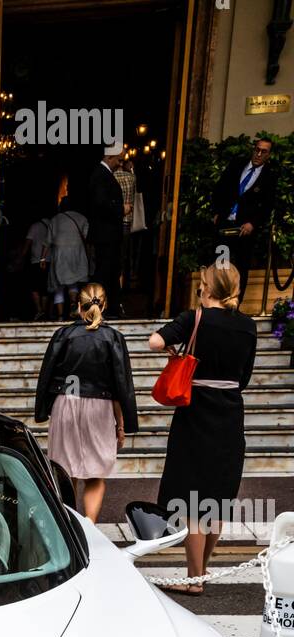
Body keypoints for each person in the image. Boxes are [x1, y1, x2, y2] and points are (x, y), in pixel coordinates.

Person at [149, 262, 257, 594]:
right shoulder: (248, 326)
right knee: (216, 498)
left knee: (192, 497)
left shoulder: (193, 318)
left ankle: (194, 579)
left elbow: (155, 341)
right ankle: (203, 570)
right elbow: (246, 377)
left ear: (206, 287)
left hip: (196, 409)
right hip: (229, 411)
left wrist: (171, 348)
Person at [34, 282, 137, 524]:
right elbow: (121, 384)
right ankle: (89, 525)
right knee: (96, 473)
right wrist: (122, 424)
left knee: (66, 471)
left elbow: (46, 374)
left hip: (66, 403)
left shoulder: (63, 335)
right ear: (106, 304)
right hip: (100, 407)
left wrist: (44, 410)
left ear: (78, 306)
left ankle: (69, 526)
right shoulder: (114, 338)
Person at [211, 137, 277, 303]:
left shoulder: (269, 176)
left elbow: (267, 206)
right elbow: (220, 188)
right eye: (257, 149)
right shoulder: (237, 165)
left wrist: (253, 223)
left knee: (241, 268)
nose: (259, 154)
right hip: (225, 225)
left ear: (269, 155)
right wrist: (217, 212)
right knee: (221, 264)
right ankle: (217, 304)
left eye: (264, 151)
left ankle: (234, 307)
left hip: (244, 230)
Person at [87, 144, 125, 314]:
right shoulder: (100, 175)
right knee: (104, 273)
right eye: (119, 160)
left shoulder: (104, 175)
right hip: (106, 235)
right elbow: (100, 204)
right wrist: (121, 209)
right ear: (110, 158)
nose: (121, 164)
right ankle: (96, 308)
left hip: (108, 235)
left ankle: (109, 308)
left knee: (110, 272)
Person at [45, 198, 90, 320]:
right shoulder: (83, 218)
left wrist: (43, 258)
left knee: (58, 285)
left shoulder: (55, 219)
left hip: (60, 255)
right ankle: (73, 304)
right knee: (73, 281)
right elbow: (86, 237)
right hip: (77, 254)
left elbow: (48, 241)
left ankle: (60, 316)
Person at [114, 154, 137, 312]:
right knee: (122, 260)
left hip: (114, 222)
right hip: (127, 223)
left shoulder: (110, 177)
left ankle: (112, 298)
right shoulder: (131, 178)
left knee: (111, 260)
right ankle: (119, 297)